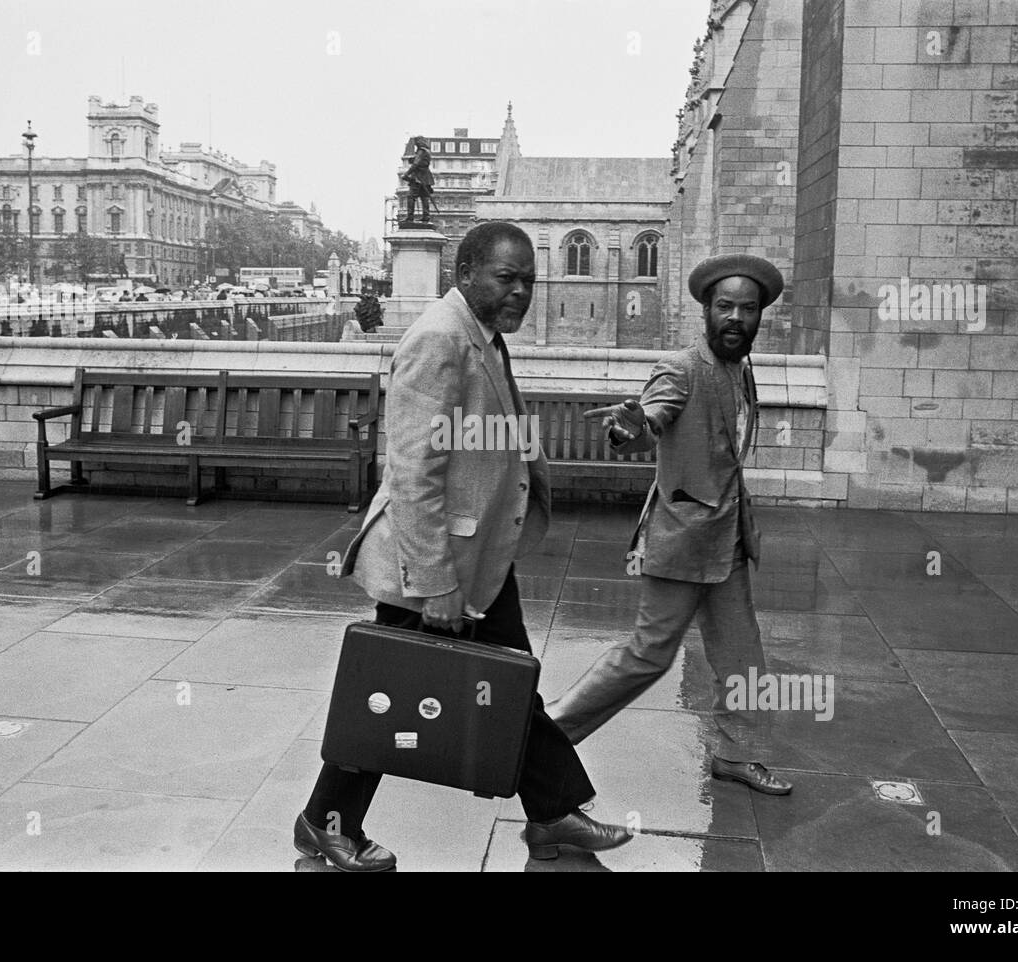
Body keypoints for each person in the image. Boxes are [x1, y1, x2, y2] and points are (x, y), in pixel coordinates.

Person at [294, 221, 632, 871]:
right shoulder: (440, 339)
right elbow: (412, 472)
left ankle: (554, 814)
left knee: (512, 686)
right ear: (467, 273)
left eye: (529, 280)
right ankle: (324, 825)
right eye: (507, 278)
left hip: (477, 557)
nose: (521, 291)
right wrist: (435, 582)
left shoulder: (483, 335)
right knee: (384, 699)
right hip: (432, 564)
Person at [547, 253, 794, 797]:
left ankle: (735, 755)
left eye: (746, 309)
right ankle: (546, 735)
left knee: (742, 655)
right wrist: (628, 428)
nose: (735, 318)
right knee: (648, 655)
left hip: (726, 537)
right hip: (683, 537)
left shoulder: (740, 365)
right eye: (724, 306)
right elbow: (649, 419)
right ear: (705, 310)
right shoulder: (682, 369)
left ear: (759, 317)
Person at [400, 135, 434, 225]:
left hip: (419, 177)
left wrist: (406, 174)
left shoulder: (421, 151)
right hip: (426, 177)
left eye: (416, 142)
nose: (416, 144)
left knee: (411, 196)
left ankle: (410, 217)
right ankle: (426, 216)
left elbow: (415, 164)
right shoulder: (427, 151)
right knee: (424, 197)